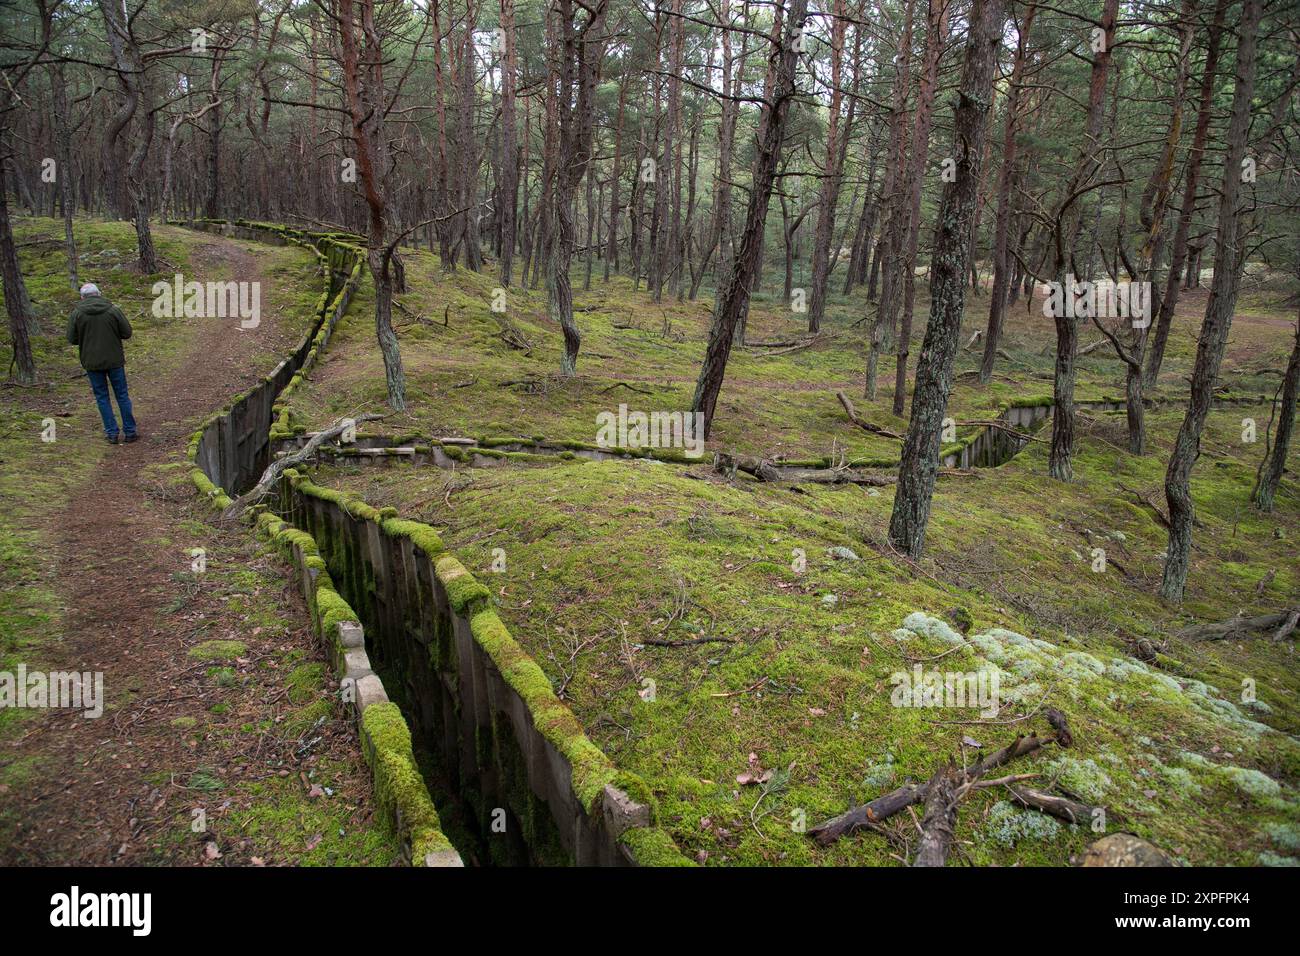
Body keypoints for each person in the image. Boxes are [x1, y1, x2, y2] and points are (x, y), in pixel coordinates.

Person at [67, 282, 138, 444]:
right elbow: (127, 333)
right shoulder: (113, 310)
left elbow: (72, 338)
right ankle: (130, 431)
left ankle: (112, 433)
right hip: (114, 360)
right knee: (122, 395)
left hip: (91, 362)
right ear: (99, 294)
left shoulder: (77, 314)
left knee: (102, 397)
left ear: (82, 297)